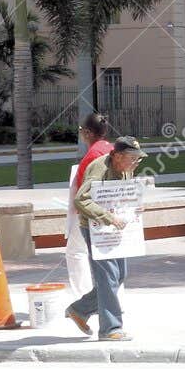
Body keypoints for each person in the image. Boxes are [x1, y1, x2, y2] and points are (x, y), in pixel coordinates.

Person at [65, 136, 145, 341]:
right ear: (117, 156)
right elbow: (81, 200)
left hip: (114, 229)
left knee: (118, 275)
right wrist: (108, 217)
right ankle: (110, 329)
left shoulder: (125, 169)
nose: (136, 163)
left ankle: (79, 310)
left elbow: (121, 196)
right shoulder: (98, 170)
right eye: (133, 158)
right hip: (95, 229)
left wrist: (133, 207)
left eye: (138, 159)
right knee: (108, 276)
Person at [63, 112, 114, 300]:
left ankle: (84, 296)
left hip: (89, 212)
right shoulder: (112, 149)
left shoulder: (91, 156)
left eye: (81, 131)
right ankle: (114, 298)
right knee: (110, 255)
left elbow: (84, 189)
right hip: (111, 210)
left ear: (87, 132)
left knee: (76, 253)